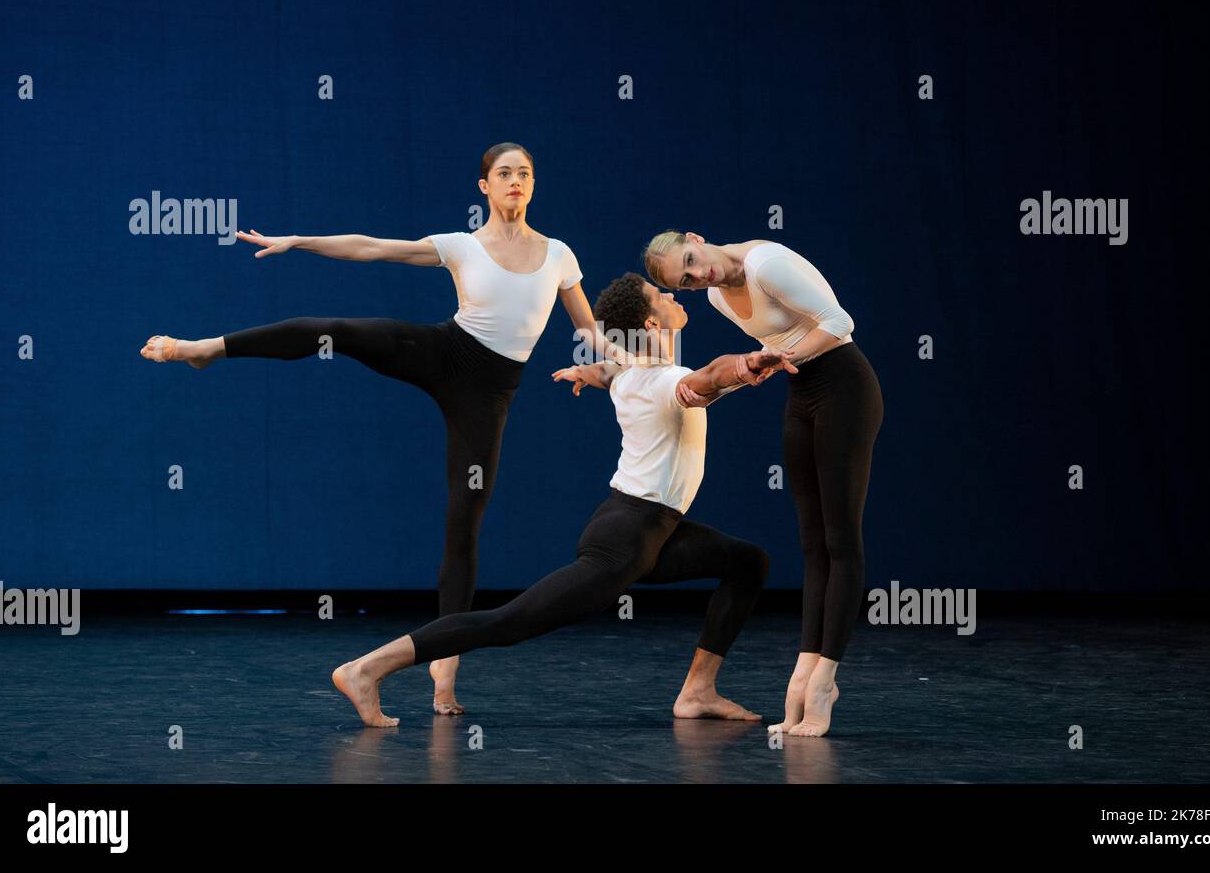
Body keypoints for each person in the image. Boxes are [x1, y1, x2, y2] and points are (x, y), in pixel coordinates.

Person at [139, 143, 623, 715]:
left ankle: (444, 673)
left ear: (533, 185)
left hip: (489, 394)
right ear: (484, 187)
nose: (515, 181)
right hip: (443, 352)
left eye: (524, 174)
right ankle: (206, 349)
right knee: (336, 329)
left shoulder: (560, 255)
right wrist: (298, 241)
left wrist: (627, 361)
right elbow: (371, 247)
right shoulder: (462, 245)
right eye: (503, 174)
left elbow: (589, 329)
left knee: (464, 525)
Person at [330, 273, 796, 727]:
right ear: (652, 325)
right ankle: (365, 669)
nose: (675, 297)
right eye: (661, 295)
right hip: (626, 541)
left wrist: (584, 371)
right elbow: (706, 378)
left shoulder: (632, 370)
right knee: (508, 622)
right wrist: (748, 364)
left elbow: (610, 370)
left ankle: (697, 692)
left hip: (648, 528)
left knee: (747, 562)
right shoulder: (662, 381)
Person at [643, 231, 883, 737]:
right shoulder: (716, 297)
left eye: (691, 261)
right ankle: (803, 670)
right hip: (803, 392)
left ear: (697, 240)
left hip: (845, 386)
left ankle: (825, 681)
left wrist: (776, 357)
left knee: (841, 540)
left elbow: (840, 323)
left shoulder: (765, 265)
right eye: (683, 281)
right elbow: (772, 353)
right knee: (812, 543)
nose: (697, 276)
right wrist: (715, 391)